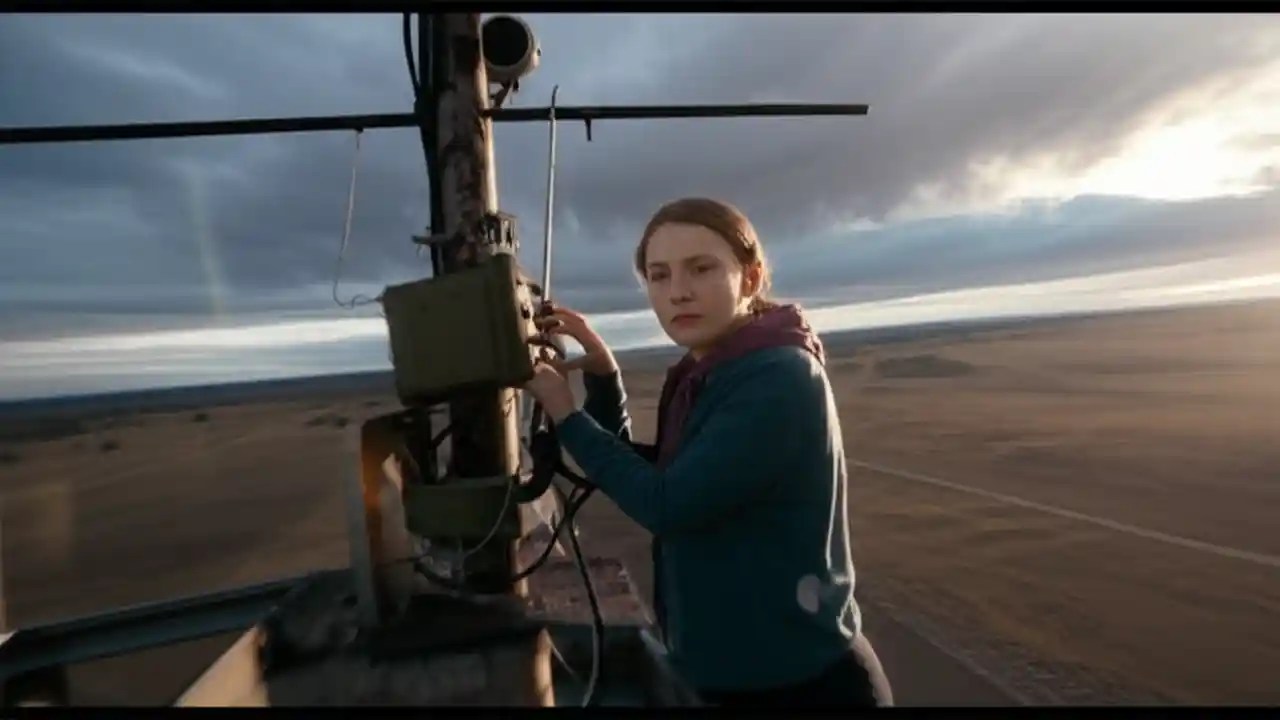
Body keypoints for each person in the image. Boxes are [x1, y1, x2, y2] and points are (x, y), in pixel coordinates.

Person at [522, 197, 893, 708]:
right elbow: (665, 476)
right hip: (736, 676)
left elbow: (665, 504)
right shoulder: (711, 371)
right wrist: (604, 377)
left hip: (801, 686)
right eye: (659, 275)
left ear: (750, 277)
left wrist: (567, 415)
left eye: (701, 268)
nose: (678, 291)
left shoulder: (778, 376)